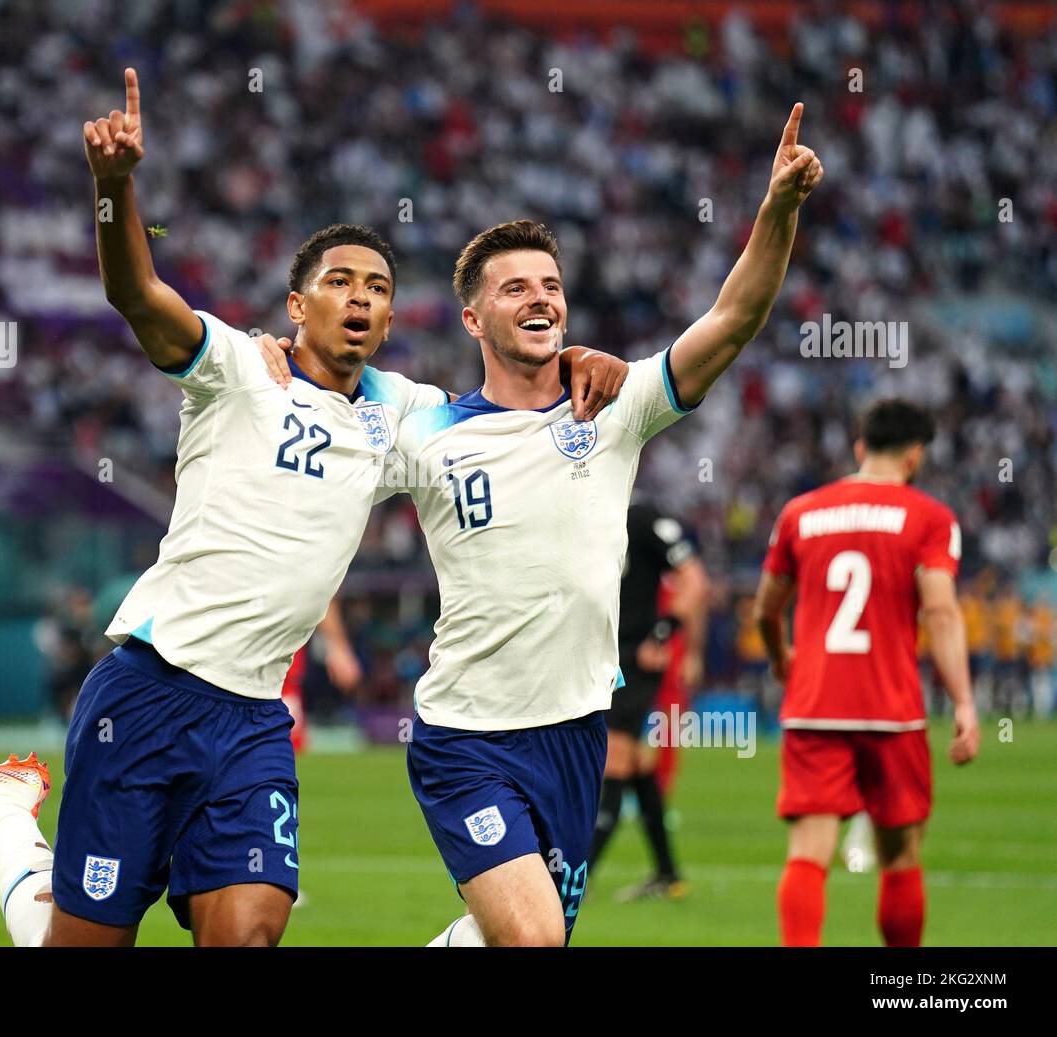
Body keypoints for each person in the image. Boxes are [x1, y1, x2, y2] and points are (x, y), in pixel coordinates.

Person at [0, 68, 627, 948]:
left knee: (248, 935)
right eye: (340, 281)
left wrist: (578, 359)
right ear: (297, 306)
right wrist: (114, 185)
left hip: (254, 718)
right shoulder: (237, 369)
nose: (361, 295)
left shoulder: (405, 411)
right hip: (148, 689)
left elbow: (508, 408)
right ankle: (6, 810)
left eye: (377, 286)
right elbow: (136, 295)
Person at [388, 102, 823, 947]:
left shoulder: (613, 408)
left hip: (578, 734)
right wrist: (270, 349)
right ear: (474, 320)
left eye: (550, 284)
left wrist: (778, 210)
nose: (539, 297)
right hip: (465, 736)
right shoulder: (428, 432)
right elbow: (326, 434)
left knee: (526, 939)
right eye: (514, 287)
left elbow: (731, 321)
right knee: (534, 937)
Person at [753, 398, 981, 947]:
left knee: (809, 854)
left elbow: (764, 608)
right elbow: (942, 611)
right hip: (892, 711)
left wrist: (781, 656)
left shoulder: (800, 513)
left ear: (860, 448)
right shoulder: (929, 518)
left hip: (815, 705)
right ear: (916, 455)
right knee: (900, 856)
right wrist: (966, 704)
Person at [587, 500, 709, 901]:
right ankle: (668, 874)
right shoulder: (589, 510)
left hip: (634, 660)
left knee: (614, 762)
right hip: (603, 655)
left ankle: (574, 884)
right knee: (639, 766)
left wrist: (662, 634)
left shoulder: (642, 517)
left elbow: (694, 580)